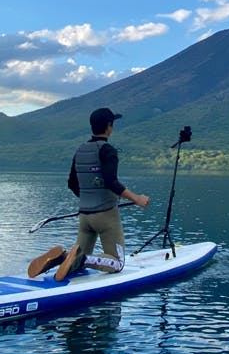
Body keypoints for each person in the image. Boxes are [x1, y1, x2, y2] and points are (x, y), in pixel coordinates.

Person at [27, 107, 150, 280]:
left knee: (75, 263)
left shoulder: (80, 150)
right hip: (106, 215)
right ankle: (80, 257)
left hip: (84, 216)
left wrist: (88, 199)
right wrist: (137, 199)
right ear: (109, 127)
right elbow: (111, 182)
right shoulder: (108, 150)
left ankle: (62, 257)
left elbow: (71, 183)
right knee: (117, 263)